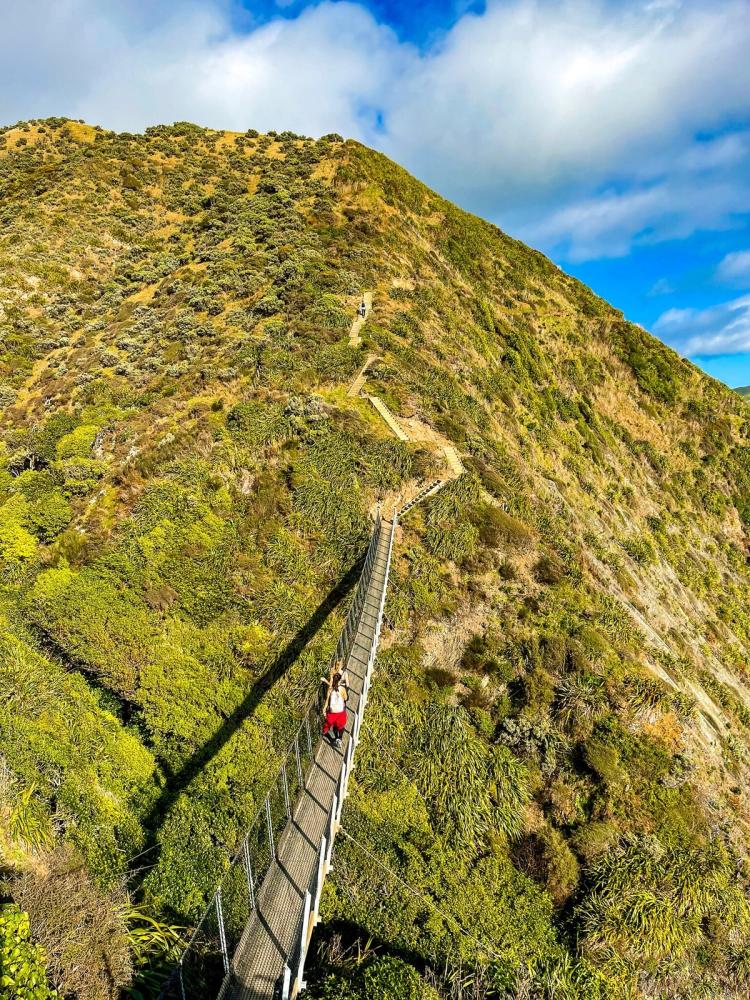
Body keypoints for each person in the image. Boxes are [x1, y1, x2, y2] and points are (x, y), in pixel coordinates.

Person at [322, 669, 348, 749]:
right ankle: (339, 738)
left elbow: (327, 700)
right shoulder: (342, 689)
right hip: (340, 713)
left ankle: (332, 740)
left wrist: (325, 708)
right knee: (341, 726)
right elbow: (346, 698)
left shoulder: (330, 689)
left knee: (325, 730)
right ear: (340, 680)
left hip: (332, 714)